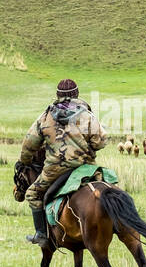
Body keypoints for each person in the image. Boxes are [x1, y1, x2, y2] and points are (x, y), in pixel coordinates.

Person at [18, 79, 106, 245]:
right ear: (77, 94)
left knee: (32, 194)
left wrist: (25, 161)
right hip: (85, 167)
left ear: (57, 95)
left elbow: (29, 144)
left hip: (55, 170)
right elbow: (100, 142)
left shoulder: (45, 117)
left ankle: (42, 235)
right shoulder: (87, 115)